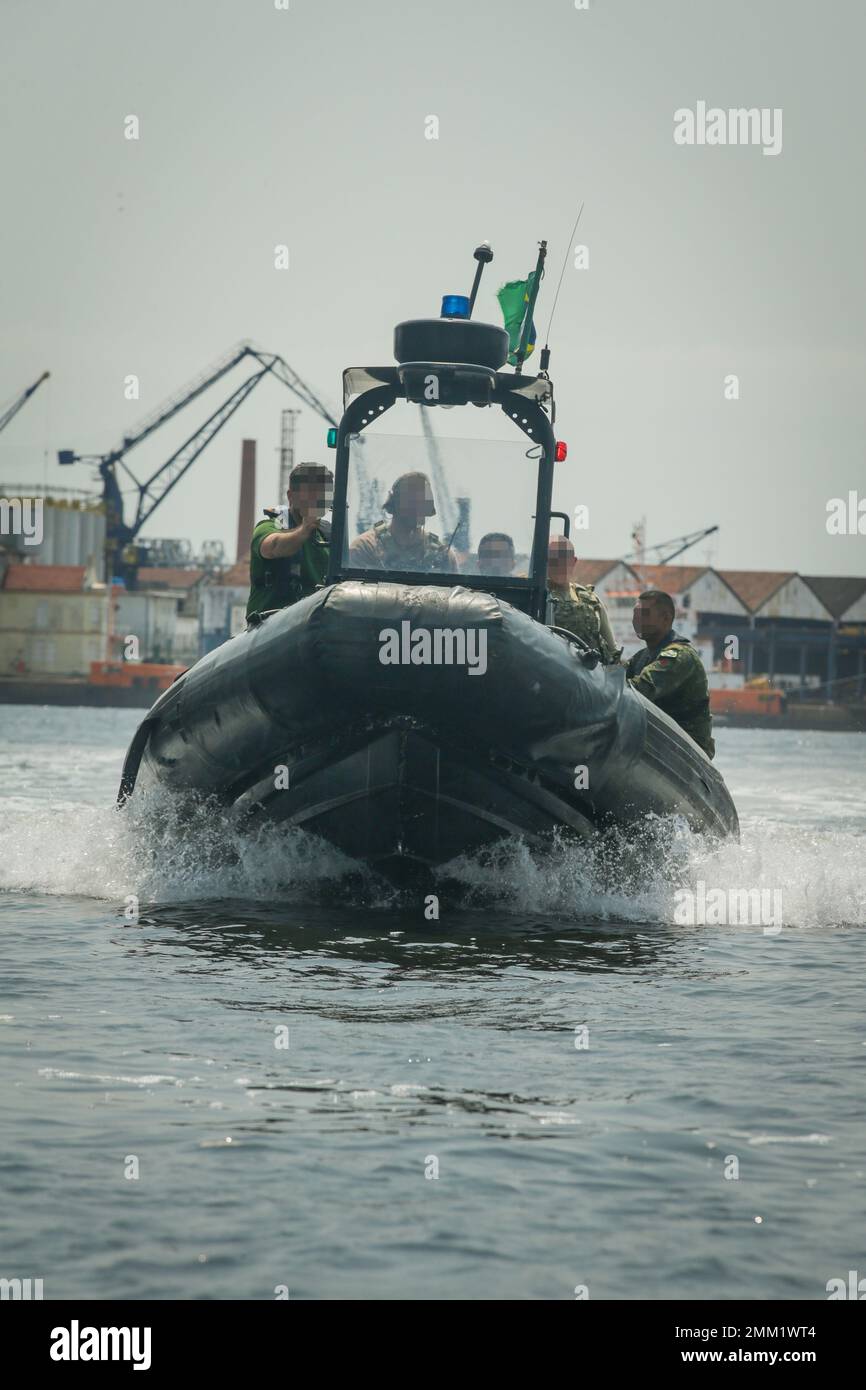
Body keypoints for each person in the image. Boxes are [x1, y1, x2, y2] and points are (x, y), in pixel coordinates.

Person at [627, 589, 715, 758]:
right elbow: (616, 675)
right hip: (659, 741)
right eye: (635, 614)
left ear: (666, 618)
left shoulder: (679, 656)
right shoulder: (641, 658)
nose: (637, 620)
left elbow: (641, 689)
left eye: (644, 614)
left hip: (688, 749)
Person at [246, 462, 333, 620]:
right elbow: (272, 547)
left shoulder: (328, 537)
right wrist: (303, 530)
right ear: (291, 496)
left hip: (315, 628)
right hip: (273, 631)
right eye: (311, 492)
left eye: (323, 492)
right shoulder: (270, 526)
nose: (318, 498)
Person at [349, 471, 453, 571]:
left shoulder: (441, 555)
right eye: (413, 502)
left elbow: (456, 588)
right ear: (395, 504)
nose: (417, 509)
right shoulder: (365, 548)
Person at [547, 535, 620, 663]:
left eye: (564, 559)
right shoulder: (534, 596)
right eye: (553, 559)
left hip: (589, 677)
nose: (559, 564)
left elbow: (612, 650)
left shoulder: (591, 600)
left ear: (573, 562)